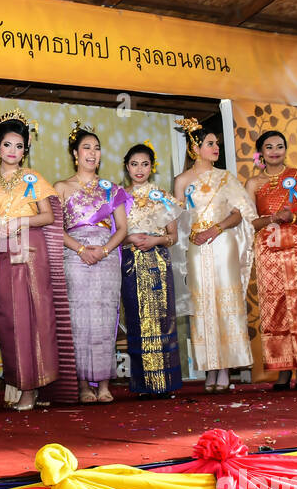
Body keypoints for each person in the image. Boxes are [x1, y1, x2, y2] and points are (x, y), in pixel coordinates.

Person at [0, 110, 60, 411]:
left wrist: (19, 223)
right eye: (7, 145)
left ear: (26, 149)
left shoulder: (33, 178)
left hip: (31, 249)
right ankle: (18, 381)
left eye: (19, 146)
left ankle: (32, 389)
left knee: (36, 316)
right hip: (1, 251)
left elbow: (48, 215)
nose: (13, 151)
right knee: (10, 318)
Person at [170, 120, 255, 393]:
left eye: (216, 143)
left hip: (222, 244)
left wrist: (215, 230)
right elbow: (177, 219)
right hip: (197, 248)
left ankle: (227, 367)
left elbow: (239, 212)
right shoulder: (181, 181)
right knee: (202, 305)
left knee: (225, 301)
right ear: (195, 147)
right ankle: (210, 366)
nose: (216, 147)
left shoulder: (226, 177)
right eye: (210, 143)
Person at [56, 125, 130, 404]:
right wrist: (82, 249)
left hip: (106, 256)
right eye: (86, 147)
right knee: (78, 319)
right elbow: (56, 229)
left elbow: (122, 228)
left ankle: (104, 384)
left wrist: (104, 250)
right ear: (75, 154)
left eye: (96, 148)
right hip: (75, 256)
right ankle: (83, 384)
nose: (92, 153)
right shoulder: (62, 187)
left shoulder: (113, 189)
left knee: (105, 318)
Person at [245, 130, 297, 390]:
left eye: (279, 146)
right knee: (275, 308)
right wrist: (271, 219)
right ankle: (281, 369)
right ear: (261, 152)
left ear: (285, 149)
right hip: (267, 249)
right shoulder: (253, 183)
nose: (275, 151)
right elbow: (249, 223)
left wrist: (291, 218)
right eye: (269, 147)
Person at [119, 142, 183, 397]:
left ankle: (165, 384)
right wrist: (131, 239)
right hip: (131, 263)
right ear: (127, 167)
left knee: (162, 320)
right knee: (136, 320)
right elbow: (113, 236)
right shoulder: (118, 197)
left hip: (157, 260)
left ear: (152, 167)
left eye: (145, 164)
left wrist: (154, 240)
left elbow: (173, 236)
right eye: (134, 164)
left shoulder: (162, 196)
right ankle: (143, 384)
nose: (139, 169)